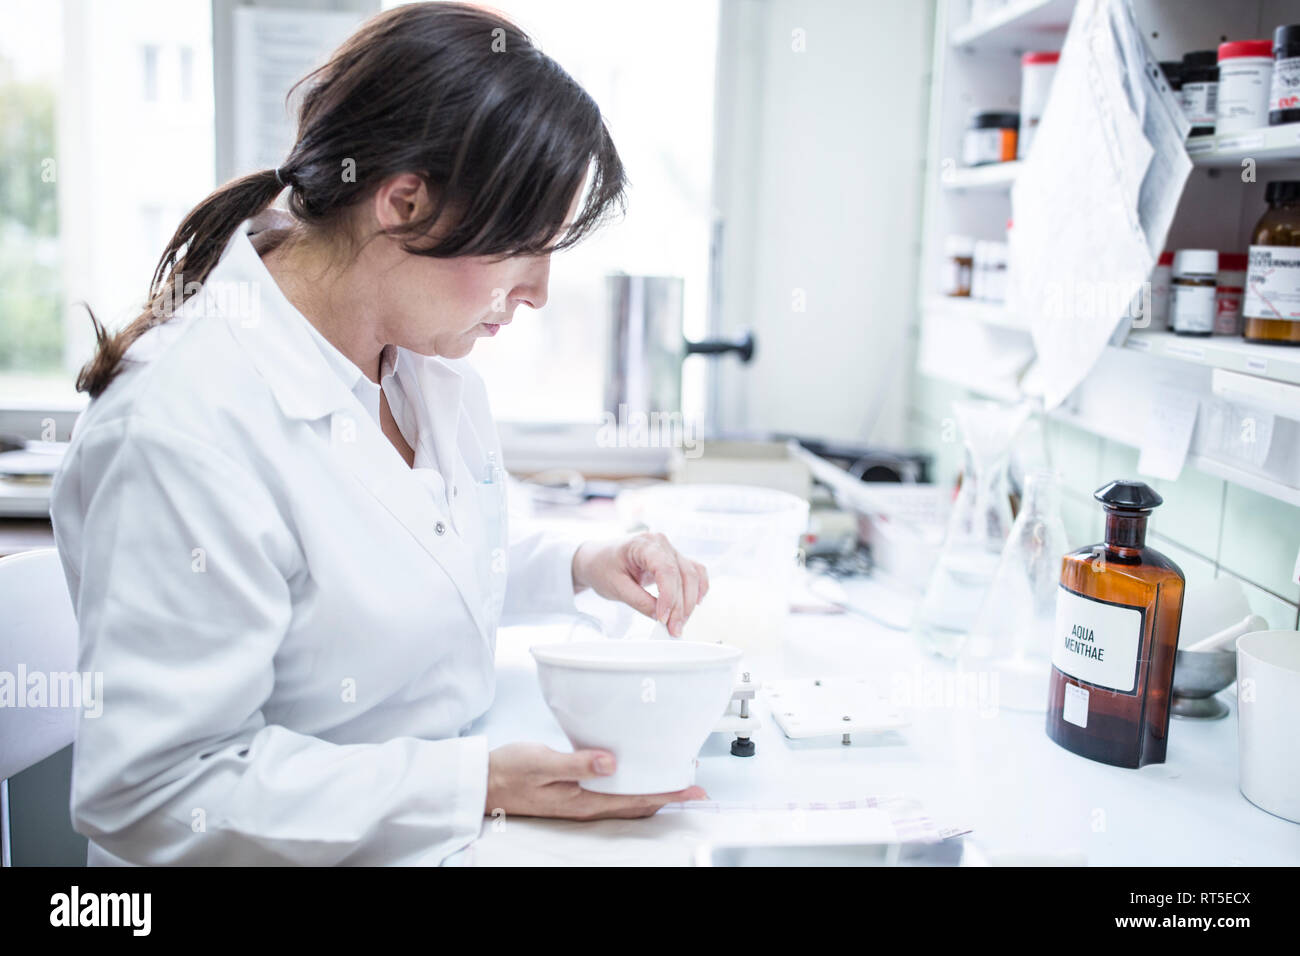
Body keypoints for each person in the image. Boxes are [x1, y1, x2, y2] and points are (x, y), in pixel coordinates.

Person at [50, 2, 709, 866]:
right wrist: (473, 785)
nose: (541, 292)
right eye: (525, 249)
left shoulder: (414, 367)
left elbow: (405, 575)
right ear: (404, 204)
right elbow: (157, 793)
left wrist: (581, 565)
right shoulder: (182, 427)